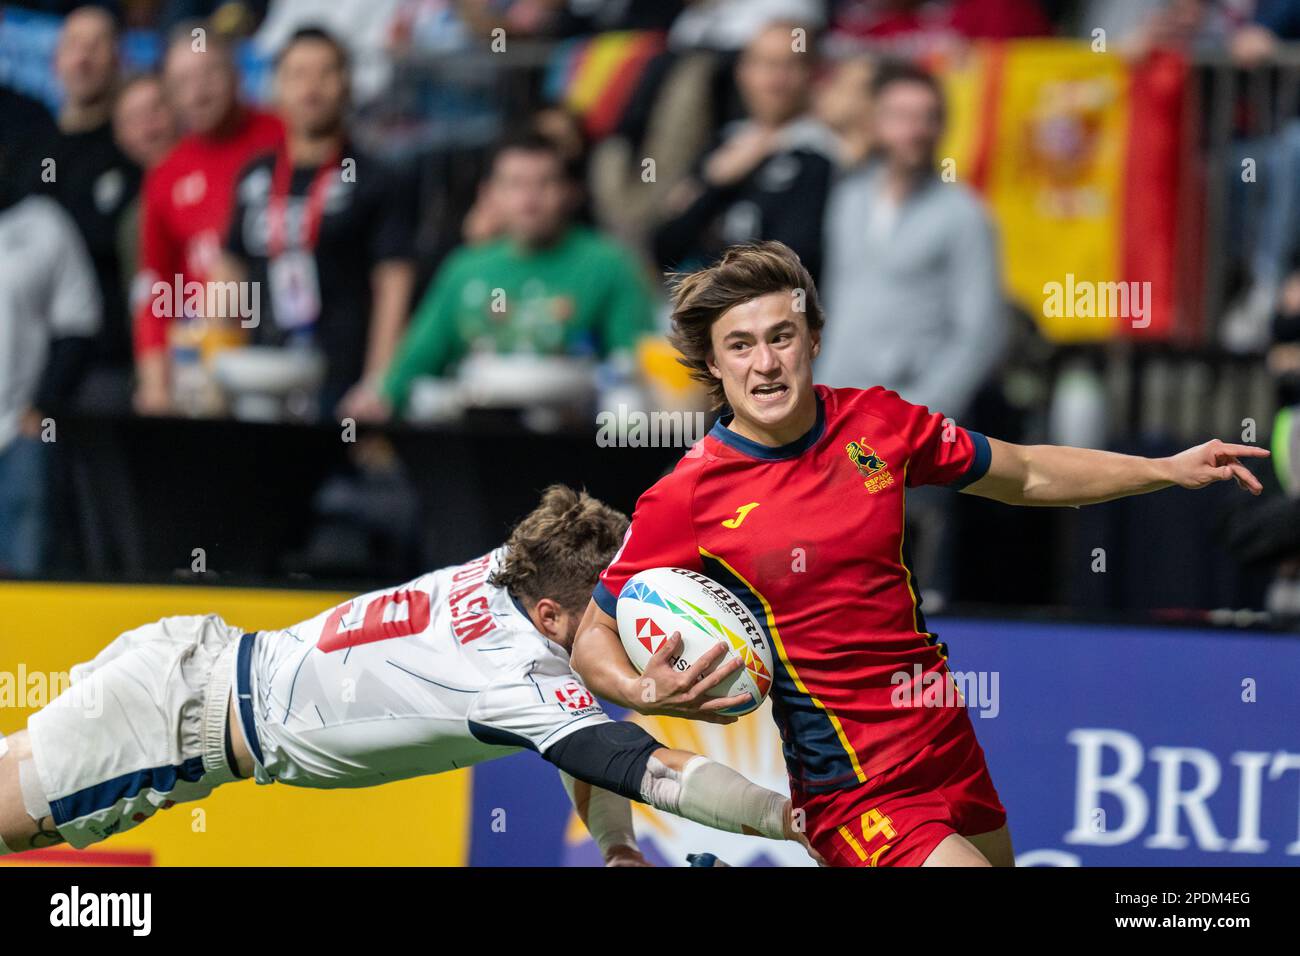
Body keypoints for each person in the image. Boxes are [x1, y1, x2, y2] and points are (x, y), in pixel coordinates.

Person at [569, 241, 1269, 867]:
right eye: (741, 346)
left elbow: (1026, 473)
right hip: (852, 785)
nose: (766, 363)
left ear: (814, 338)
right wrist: (642, 691)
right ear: (714, 364)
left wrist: (1164, 469)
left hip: (946, 742)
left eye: (781, 336)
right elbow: (592, 636)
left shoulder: (877, 421)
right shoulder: (687, 496)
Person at [0, 486, 809, 864]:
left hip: (189, 663)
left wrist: (617, 850)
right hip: (178, 723)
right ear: (552, 617)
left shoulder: (510, 566)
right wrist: (789, 817)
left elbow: (582, 735)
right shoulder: (516, 673)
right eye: (601, 617)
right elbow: (637, 763)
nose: (613, 635)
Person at [817, 60, 1006, 606]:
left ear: (941, 126)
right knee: (831, 571)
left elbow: (981, 333)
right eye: (900, 115)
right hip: (834, 410)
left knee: (910, 578)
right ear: (876, 122)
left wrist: (921, 417)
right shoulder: (845, 198)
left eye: (926, 117)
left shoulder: (965, 215)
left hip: (910, 418)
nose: (913, 129)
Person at [349, 131, 656, 421]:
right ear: (489, 194)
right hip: (474, 434)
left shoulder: (609, 265)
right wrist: (378, 398)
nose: (529, 201)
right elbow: (414, 362)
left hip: (576, 436)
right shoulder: (465, 268)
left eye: (545, 183)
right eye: (515, 184)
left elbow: (637, 366)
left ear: (569, 191)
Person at [220, 27, 415, 418]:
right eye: (297, 74)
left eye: (325, 73)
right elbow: (229, 270)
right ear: (277, 87)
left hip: (341, 383)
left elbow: (393, 283)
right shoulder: (255, 175)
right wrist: (217, 364)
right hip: (262, 379)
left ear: (347, 85)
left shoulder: (376, 179)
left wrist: (378, 386)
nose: (311, 87)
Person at [132, 22, 283, 414]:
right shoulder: (166, 174)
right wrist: (155, 385)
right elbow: (155, 289)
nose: (198, 93)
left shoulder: (284, 137)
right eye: (182, 83)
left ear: (236, 74)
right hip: (200, 366)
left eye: (209, 74)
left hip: (280, 349)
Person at [652, 19, 838, 282]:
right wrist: (715, 184)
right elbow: (664, 248)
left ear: (812, 74)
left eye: (790, 65)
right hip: (705, 301)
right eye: (765, 64)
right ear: (743, 73)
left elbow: (794, 260)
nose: (776, 80)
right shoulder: (726, 142)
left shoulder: (823, 154)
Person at [0, 127, 102, 576]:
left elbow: (78, 324)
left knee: (27, 572)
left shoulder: (43, 222)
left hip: (20, 429)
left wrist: (43, 404)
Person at [50, 6, 142, 410]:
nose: (84, 57)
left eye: (97, 45)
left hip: (107, 365)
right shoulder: (31, 149)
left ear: (119, 59)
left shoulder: (134, 151)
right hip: (27, 361)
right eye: (74, 45)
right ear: (55, 61)